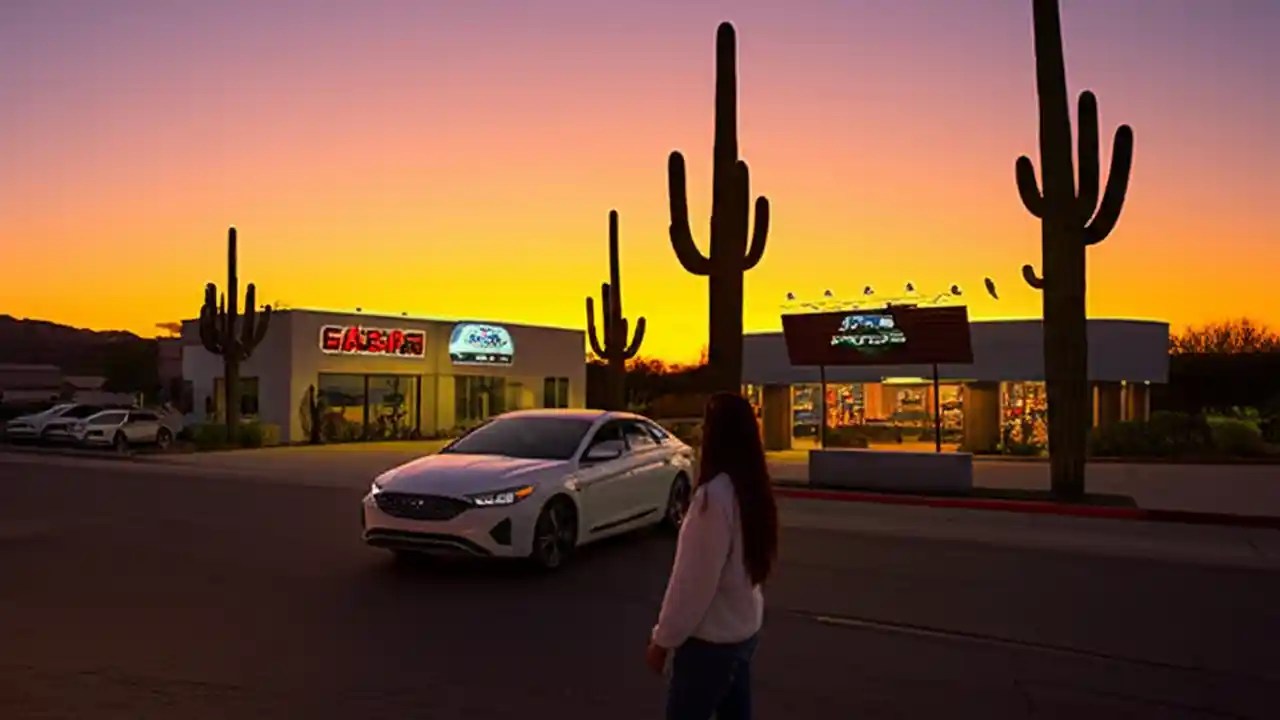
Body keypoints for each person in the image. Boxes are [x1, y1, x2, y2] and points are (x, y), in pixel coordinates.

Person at [646, 392, 780, 720]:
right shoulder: (751, 491)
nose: (701, 433)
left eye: (707, 427)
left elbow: (692, 584)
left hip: (710, 645)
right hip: (743, 632)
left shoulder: (713, 499)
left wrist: (663, 640)